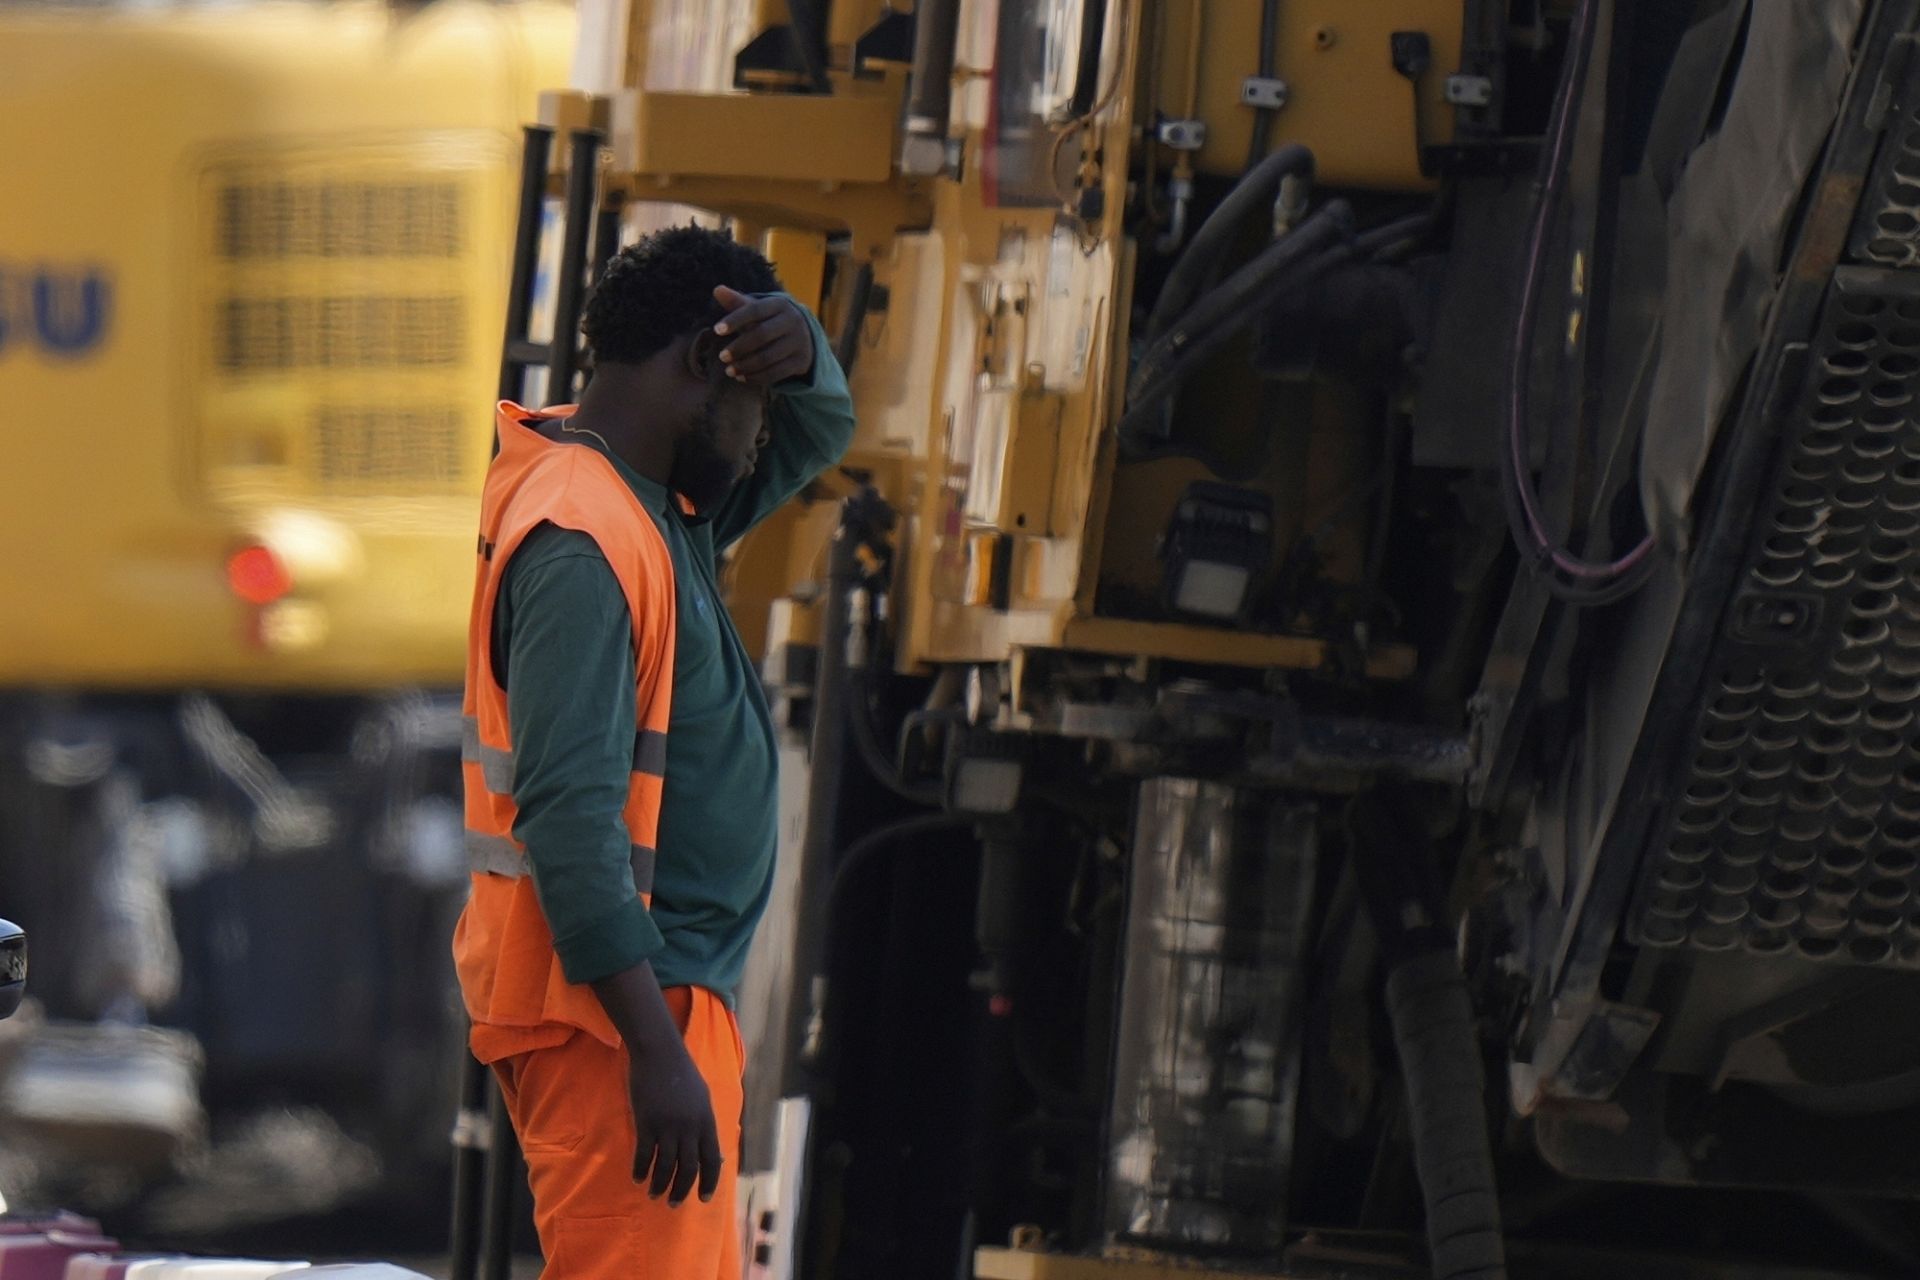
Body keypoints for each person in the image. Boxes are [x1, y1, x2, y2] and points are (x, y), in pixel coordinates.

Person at [453, 224, 855, 1279]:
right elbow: (570, 818)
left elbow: (822, 435)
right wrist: (652, 1049)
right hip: (614, 1015)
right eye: (752, 402)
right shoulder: (585, 542)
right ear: (697, 366)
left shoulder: (652, 514)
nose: (762, 433)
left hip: (644, 1004)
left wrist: (799, 351)